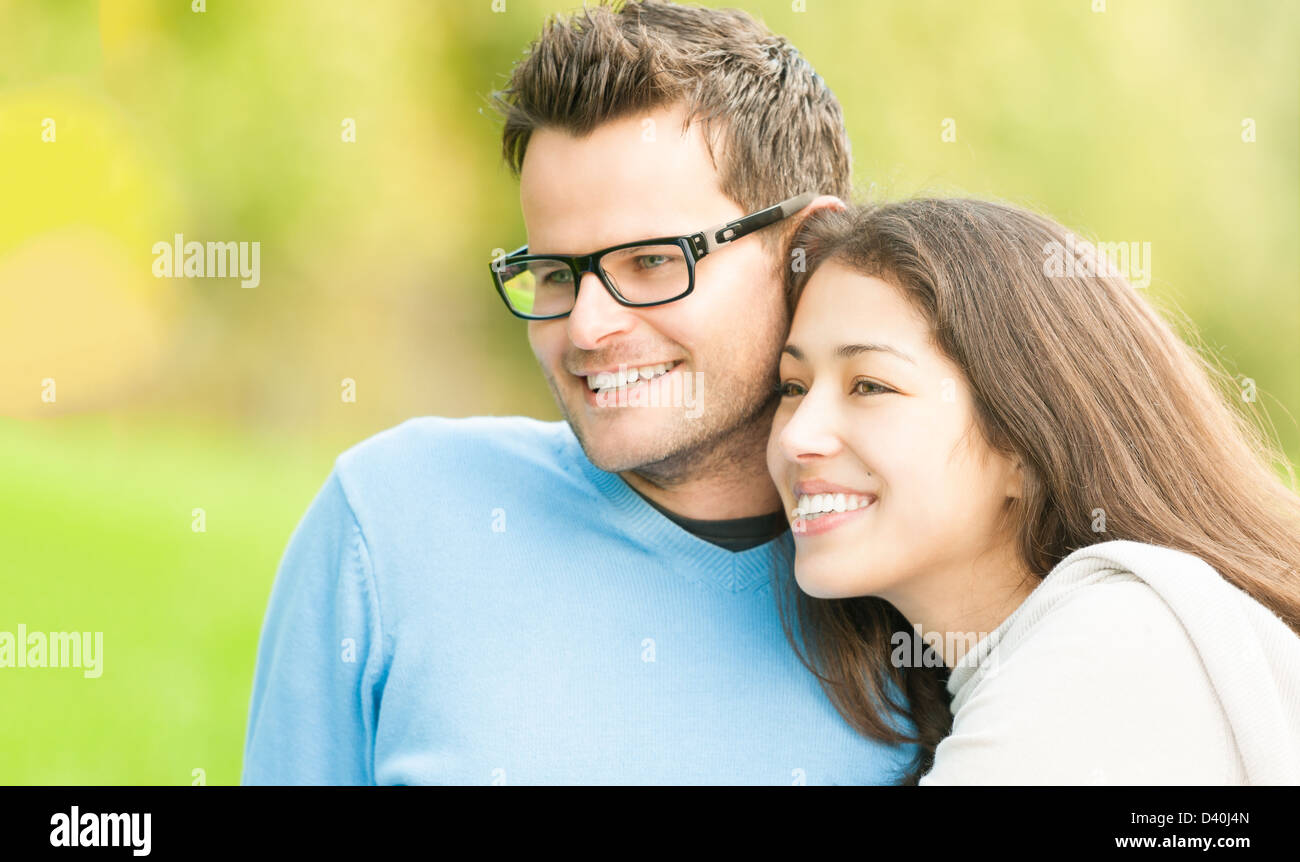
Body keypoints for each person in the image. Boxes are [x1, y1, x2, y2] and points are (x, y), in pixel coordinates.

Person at [241, 0, 918, 784]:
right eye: (556, 274)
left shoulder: (930, 577)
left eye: (653, 262)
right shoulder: (388, 520)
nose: (589, 327)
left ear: (802, 250)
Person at [766, 198, 1300, 784]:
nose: (798, 435)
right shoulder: (1040, 665)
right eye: (792, 386)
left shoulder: (1113, 645)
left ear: (1023, 442)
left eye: (868, 385)